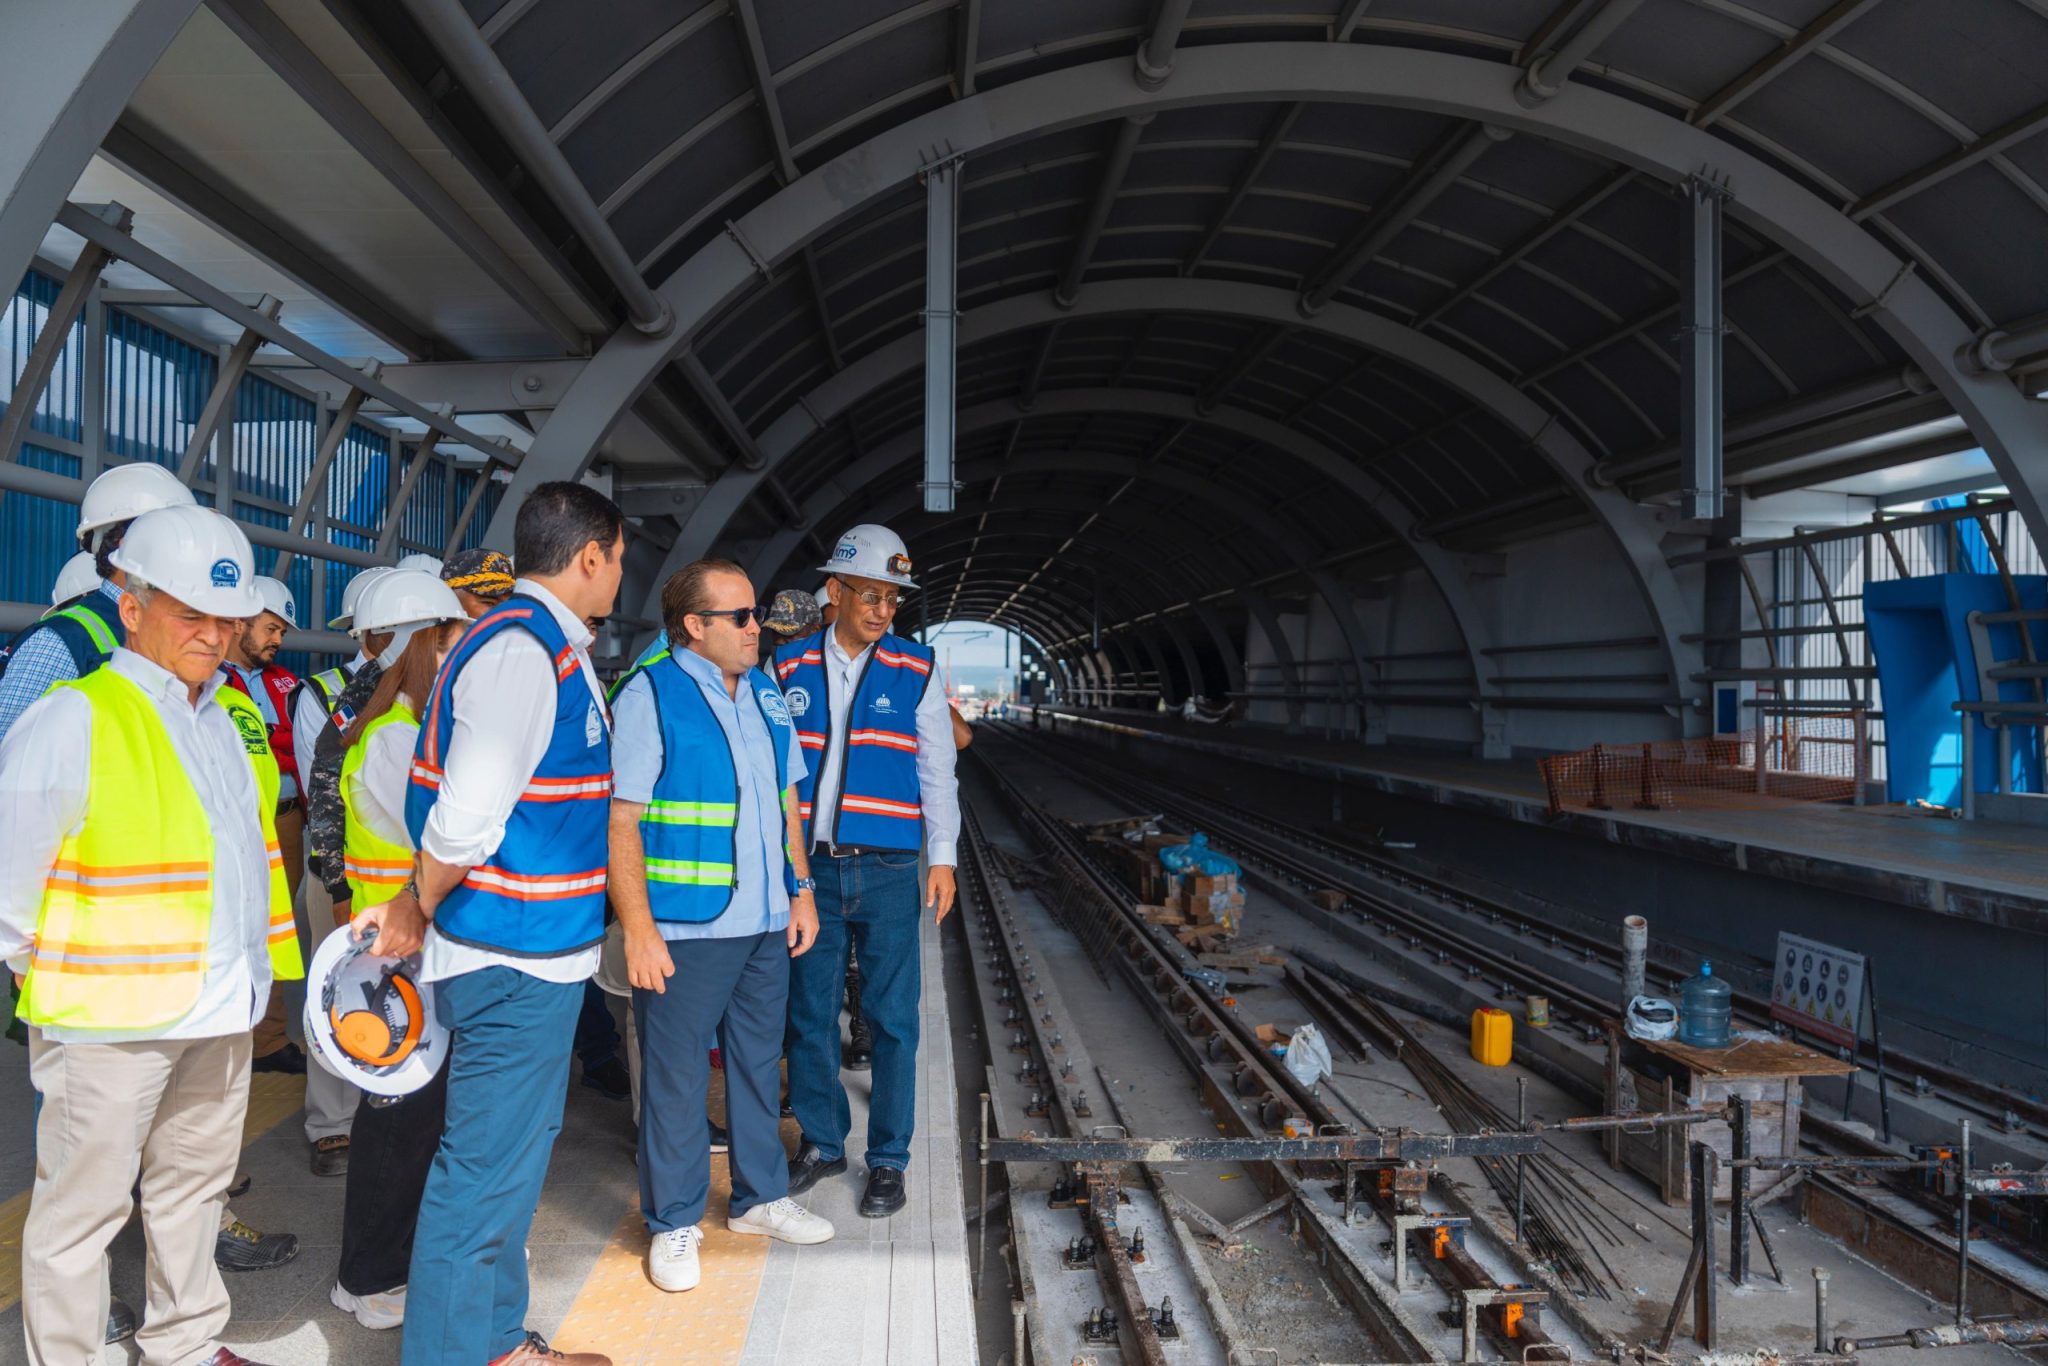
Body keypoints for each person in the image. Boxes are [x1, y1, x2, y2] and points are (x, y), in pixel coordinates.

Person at [1, 504, 302, 1366]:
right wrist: (62, 978)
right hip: (110, 1024)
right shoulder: (75, 716)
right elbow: (7, 887)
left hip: (218, 1008)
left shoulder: (219, 720)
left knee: (193, 1189)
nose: (213, 635)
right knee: (81, 1213)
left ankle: (188, 1343)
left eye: (226, 618)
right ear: (130, 607)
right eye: (190, 614)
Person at [379, 483, 623, 1366]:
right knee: (480, 1179)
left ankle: (498, 1345)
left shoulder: (549, 645)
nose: (620, 575)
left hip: (539, 956)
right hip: (507, 956)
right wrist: (419, 900)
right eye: (620, 558)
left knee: (512, 1171)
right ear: (590, 555)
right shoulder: (522, 651)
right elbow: (466, 817)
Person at [609, 560, 833, 1295]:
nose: (755, 627)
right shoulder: (651, 693)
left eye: (756, 613)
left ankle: (758, 1198)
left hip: (766, 920)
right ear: (693, 627)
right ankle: (672, 1221)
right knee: (674, 1080)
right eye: (738, 617)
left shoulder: (767, 692)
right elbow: (623, 819)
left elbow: (787, 800)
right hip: (686, 926)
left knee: (756, 1063)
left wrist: (800, 892)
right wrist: (637, 927)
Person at [775, 524, 959, 1219]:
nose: (883, 610)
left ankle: (889, 1160)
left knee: (892, 1019)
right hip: (812, 870)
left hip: (886, 869)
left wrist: (941, 859)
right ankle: (824, 1144)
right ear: (836, 590)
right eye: (871, 595)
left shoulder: (918, 667)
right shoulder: (787, 667)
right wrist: (788, 873)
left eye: (894, 599)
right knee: (810, 1013)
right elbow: (774, 775)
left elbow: (937, 772)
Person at [321, 569, 470, 1330]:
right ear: (415, 645)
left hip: (411, 959)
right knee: (397, 1122)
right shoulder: (394, 739)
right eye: (444, 640)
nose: (454, 653)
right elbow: (442, 839)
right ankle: (368, 1277)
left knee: (416, 1119)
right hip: (396, 964)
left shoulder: (400, 728)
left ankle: (394, 1262)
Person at [0, 461, 196, 742]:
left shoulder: (186, 632)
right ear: (124, 545)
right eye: (171, 539)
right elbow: (10, 755)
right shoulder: (58, 644)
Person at [222, 576, 309, 1076]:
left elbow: (300, 752)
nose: (278, 640)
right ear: (241, 622)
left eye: (281, 632)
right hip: (238, 825)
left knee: (276, 928)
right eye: (271, 628)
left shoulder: (285, 684)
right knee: (232, 929)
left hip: (287, 822)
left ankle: (269, 1037)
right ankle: (229, 1036)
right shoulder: (207, 677)